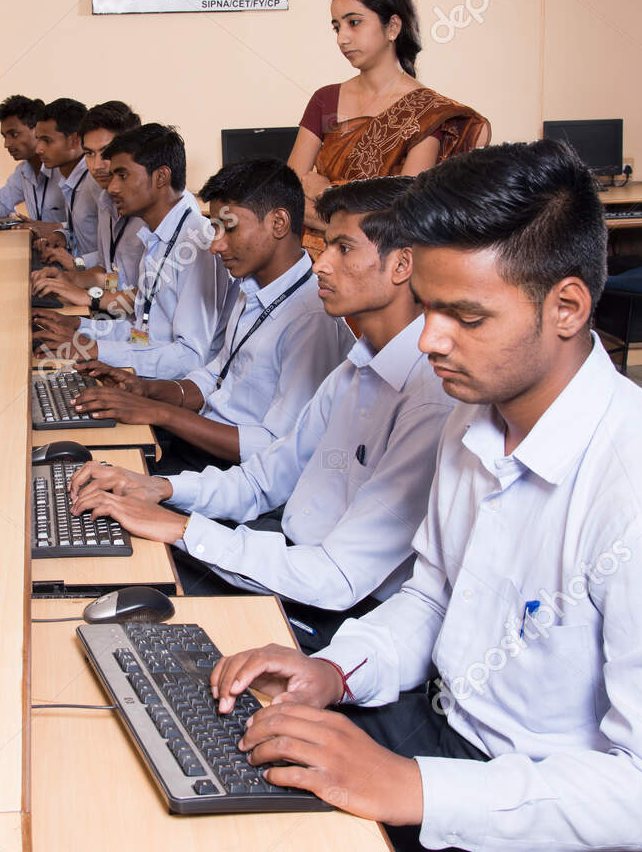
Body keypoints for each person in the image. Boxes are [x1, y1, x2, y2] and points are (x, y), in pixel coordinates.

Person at [142, 139, 642, 852]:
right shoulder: (480, 420)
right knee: (197, 824)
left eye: (466, 317)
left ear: (567, 307)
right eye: (429, 307)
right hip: (443, 732)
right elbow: (430, 598)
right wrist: (340, 670)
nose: (431, 342)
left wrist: (413, 787)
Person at [70, 176, 452, 645]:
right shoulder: (356, 369)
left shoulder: (431, 398)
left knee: (118, 618)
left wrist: (178, 527)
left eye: (344, 249)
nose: (322, 265)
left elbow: (336, 579)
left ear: (401, 265)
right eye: (326, 245)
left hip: (339, 615)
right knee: (107, 572)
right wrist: (156, 487)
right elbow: (262, 480)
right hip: (286, 558)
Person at [67, 158, 351, 473]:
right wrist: (147, 389)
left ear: (279, 223)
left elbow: (274, 446)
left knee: (86, 484)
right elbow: (216, 375)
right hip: (198, 443)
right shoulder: (252, 285)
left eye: (229, 228)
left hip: (231, 472)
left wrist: (160, 413)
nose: (216, 245)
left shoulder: (312, 318)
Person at [32, 124, 233, 377]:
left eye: (123, 175)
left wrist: (94, 349)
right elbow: (143, 333)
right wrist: (79, 326)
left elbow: (191, 357)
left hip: (177, 388)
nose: (113, 187)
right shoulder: (154, 237)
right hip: (151, 374)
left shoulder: (197, 243)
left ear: (161, 177)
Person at [288, 0, 489, 206]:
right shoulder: (325, 99)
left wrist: (327, 193)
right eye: (337, 27)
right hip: (309, 244)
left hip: (386, 244)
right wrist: (353, 211)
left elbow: (401, 216)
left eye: (354, 23)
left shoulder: (426, 113)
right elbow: (288, 200)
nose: (342, 38)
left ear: (393, 27)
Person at [30, 101, 143, 307]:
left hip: (129, 323)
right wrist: (71, 278)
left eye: (106, 153)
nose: (96, 165)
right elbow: (110, 271)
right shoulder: (105, 197)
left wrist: (79, 275)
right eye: (89, 154)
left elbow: (149, 296)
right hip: (114, 310)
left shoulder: (148, 211)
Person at [0, 95, 60, 224]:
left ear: (37, 129)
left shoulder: (63, 171)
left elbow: (83, 225)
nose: (7, 144)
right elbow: (2, 203)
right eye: (4, 136)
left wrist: (54, 229)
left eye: (14, 134)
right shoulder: (23, 172)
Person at [27, 98, 103, 261]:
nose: (38, 149)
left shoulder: (96, 182)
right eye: (38, 139)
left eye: (47, 141)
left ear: (75, 141)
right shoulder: (70, 179)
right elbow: (86, 230)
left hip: (99, 281)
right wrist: (62, 235)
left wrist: (77, 264)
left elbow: (114, 258)